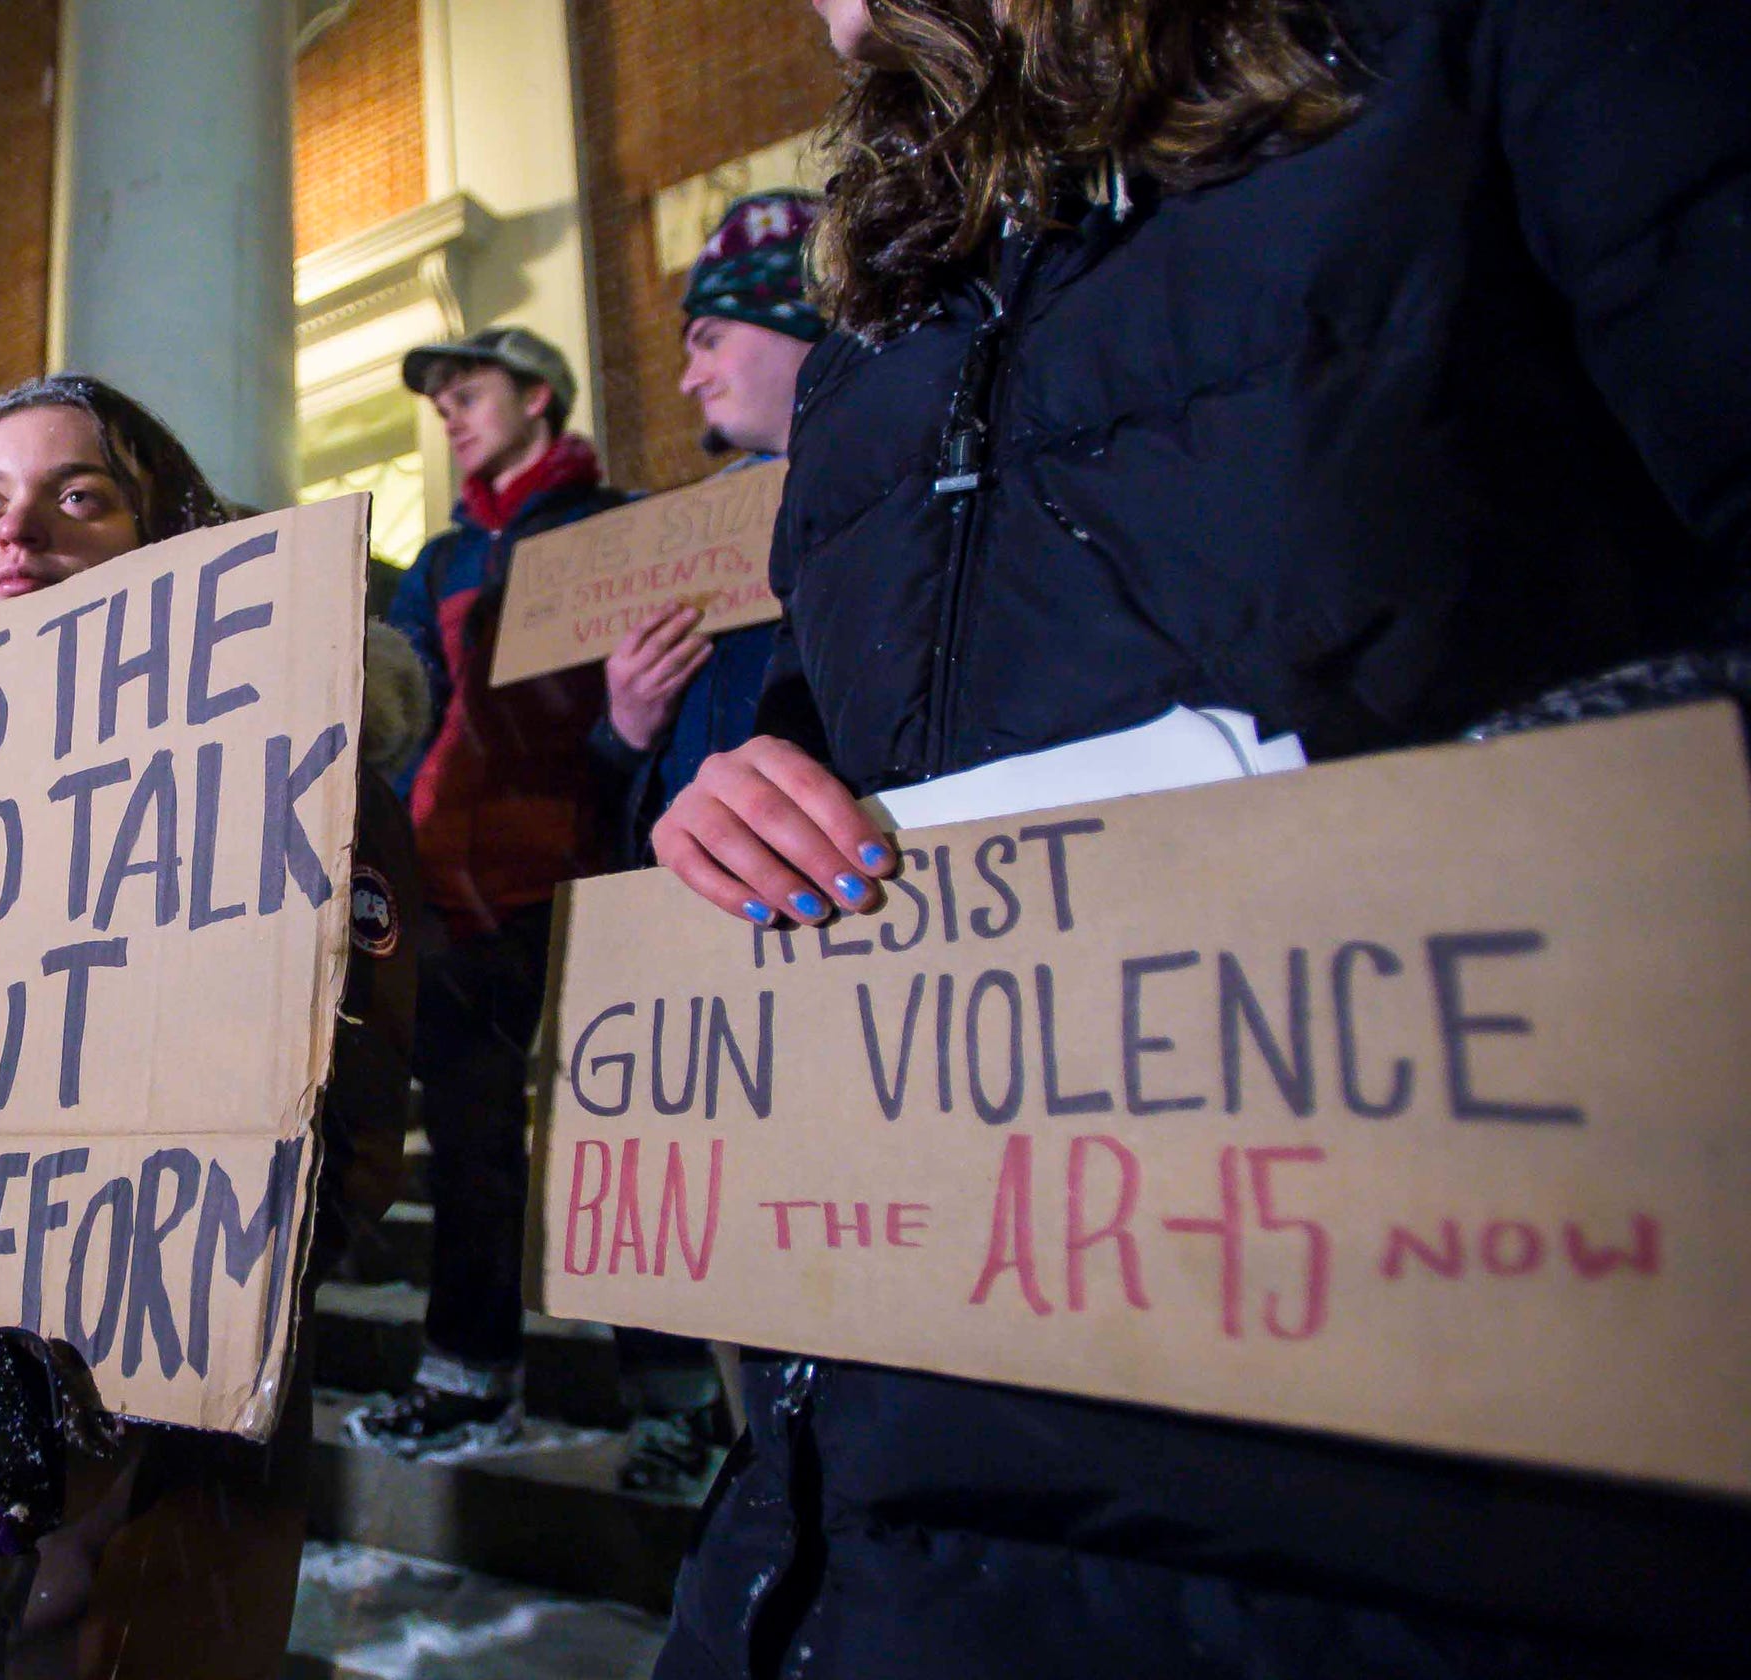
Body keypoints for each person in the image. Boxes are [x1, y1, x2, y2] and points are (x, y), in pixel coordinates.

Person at [646, 0, 1751, 1673]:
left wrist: (1527, 861)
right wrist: (759, 795)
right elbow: (868, 704)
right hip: (876, 1497)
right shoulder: (893, 305)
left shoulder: (1505, 54)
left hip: (1423, 1509)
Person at [0, 375, 424, 1680]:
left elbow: (341, 1149)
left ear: (166, 537)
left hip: (123, 1441)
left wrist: (67, 1357)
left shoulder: (296, 768)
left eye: (79, 496)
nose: (18, 532)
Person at [582, 189, 830, 1497]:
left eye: (707, 338)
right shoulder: (695, 549)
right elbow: (636, 800)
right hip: (708, 975)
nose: (684, 374)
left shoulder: (890, 500)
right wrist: (626, 729)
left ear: (792, 322)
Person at [348, 325, 629, 1457]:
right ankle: (467, 1375)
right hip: (450, 897)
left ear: (539, 396)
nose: (451, 414)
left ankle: (680, 1393)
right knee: (468, 1146)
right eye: (442, 400)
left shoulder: (614, 530)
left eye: (468, 393)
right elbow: (400, 712)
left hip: (576, 882)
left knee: (617, 1135)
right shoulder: (439, 562)